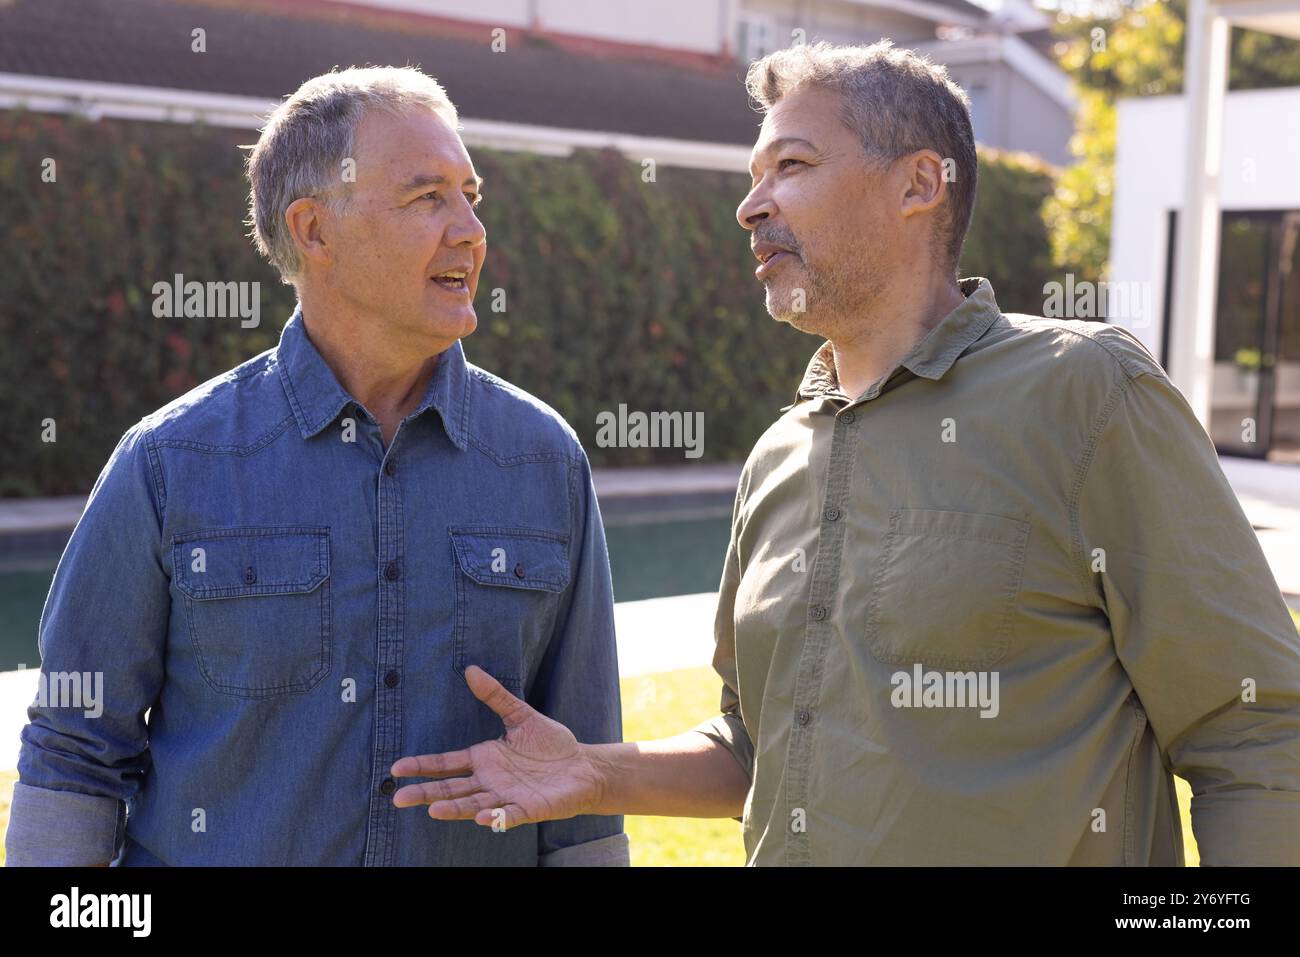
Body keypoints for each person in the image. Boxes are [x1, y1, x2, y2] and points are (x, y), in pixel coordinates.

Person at [390, 41, 1300, 866]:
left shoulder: (1087, 394)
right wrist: (595, 772)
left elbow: (1258, 734)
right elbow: (760, 746)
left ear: (918, 184)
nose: (750, 205)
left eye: (791, 165)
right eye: (753, 176)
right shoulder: (781, 454)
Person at [5, 66, 627, 866]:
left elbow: (584, 785)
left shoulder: (546, 463)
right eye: (427, 196)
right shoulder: (169, 464)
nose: (471, 229)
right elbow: (74, 751)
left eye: (472, 194)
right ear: (315, 229)